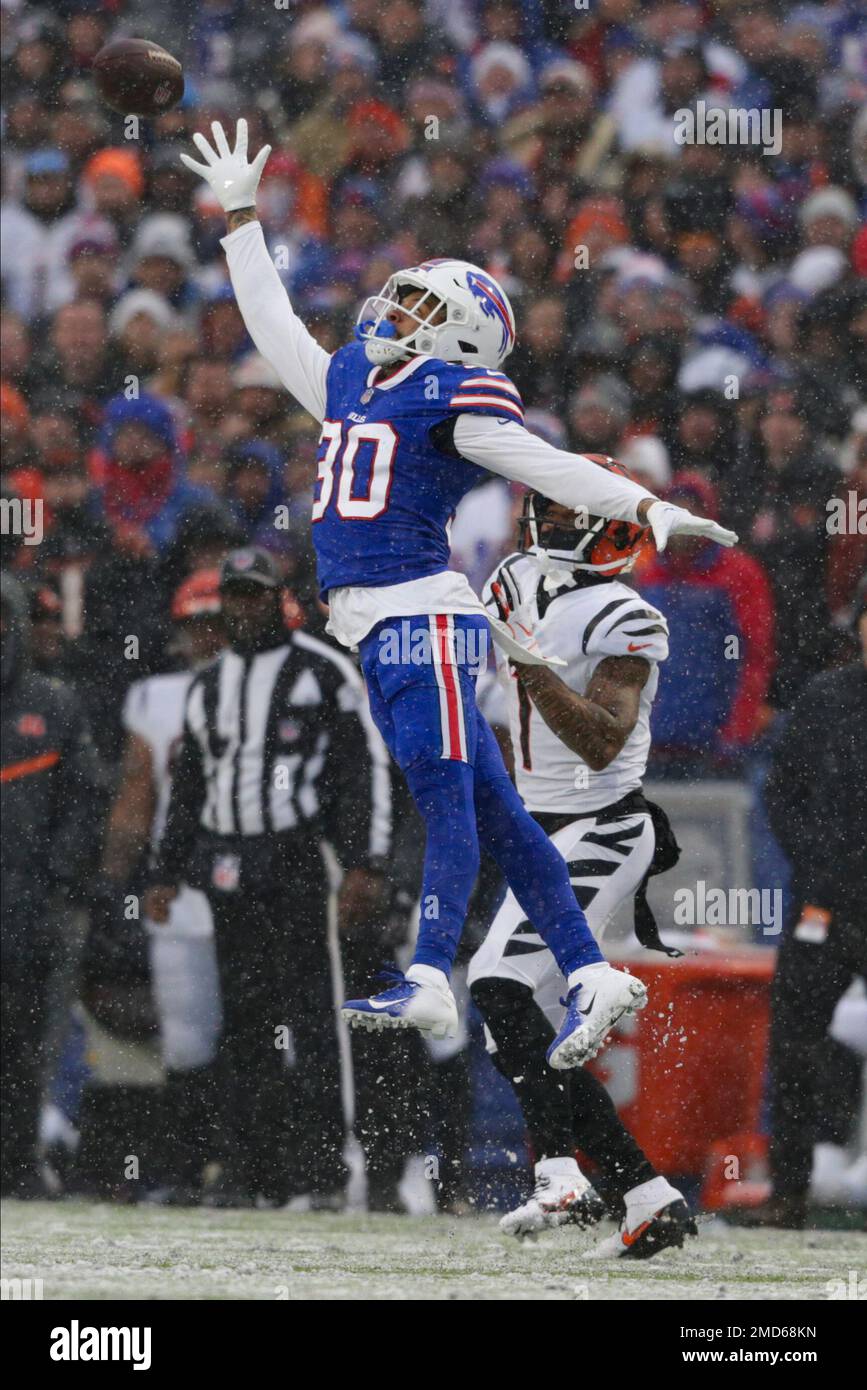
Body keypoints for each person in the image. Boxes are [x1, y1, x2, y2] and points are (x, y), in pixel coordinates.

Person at [179, 120, 737, 1069]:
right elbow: (274, 327)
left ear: (456, 332)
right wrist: (240, 220)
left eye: (414, 302)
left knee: (445, 801)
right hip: (375, 620)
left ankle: (431, 973)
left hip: (421, 614)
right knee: (492, 810)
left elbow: (547, 464)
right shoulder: (355, 377)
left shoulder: (458, 398)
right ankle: (591, 972)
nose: (389, 307)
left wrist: (649, 509)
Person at [468, 461, 696, 1259]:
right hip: (539, 826)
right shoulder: (514, 574)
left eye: (573, 511)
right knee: (510, 1027)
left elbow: (601, 740)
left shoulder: (625, 613)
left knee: (497, 987)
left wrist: (526, 665)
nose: (554, 520)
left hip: (601, 823)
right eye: (551, 505)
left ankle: (562, 1171)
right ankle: (645, 1194)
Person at [144, 547, 392, 1205]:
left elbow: (359, 770)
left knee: (313, 1020)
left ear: (279, 600)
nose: (244, 607)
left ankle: (325, 1175)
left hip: (293, 857)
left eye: (256, 595)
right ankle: (249, 1174)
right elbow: (189, 786)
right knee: (243, 1022)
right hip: (227, 864)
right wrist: (164, 873)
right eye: (235, 596)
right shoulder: (208, 685)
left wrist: (365, 862)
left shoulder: (322, 673)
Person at [98, 569, 227, 1202]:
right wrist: (115, 881)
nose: (207, 635)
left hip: (252, 880)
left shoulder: (273, 681)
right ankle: (194, 1169)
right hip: (181, 885)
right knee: (187, 1038)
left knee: (255, 1034)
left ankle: (249, 1169)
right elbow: (135, 800)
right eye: (199, 621)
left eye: (215, 619)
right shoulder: (157, 695)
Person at [745, 576, 867, 1228]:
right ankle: (787, 1191)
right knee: (794, 1044)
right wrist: (816, 866)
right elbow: (780, 794)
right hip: (821, 905)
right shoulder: (823, 700)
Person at [1, 570, 104, 1196]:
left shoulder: (54, 703)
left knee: (23, 1046)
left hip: (29, 910)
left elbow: (86, 802)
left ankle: (17, 1162)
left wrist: (52, 877)